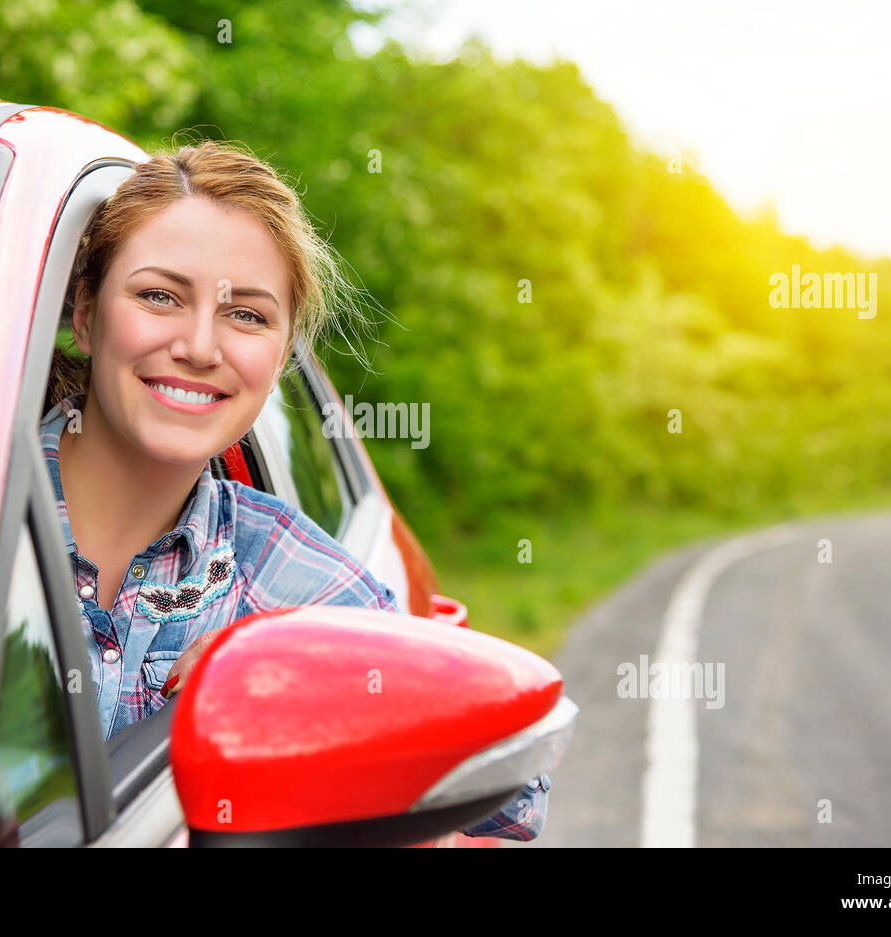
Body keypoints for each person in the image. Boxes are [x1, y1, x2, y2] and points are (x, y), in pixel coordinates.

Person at [50, 140, 551, 841]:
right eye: (160, 295)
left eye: (246, 315)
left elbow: (521, 796)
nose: (199, 345)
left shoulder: (295, 580)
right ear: (85, 313)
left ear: (282, 357)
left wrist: (321, 680)